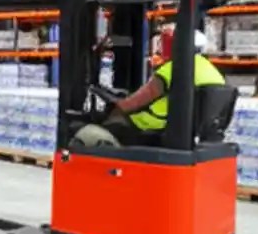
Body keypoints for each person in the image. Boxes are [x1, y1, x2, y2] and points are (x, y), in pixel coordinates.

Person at [92, 28, 224, 147]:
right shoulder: (213, 71)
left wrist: (116, 105)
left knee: (91, 133)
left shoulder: (173, 69)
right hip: (183, 131)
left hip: (152, 127)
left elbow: (135, 102)